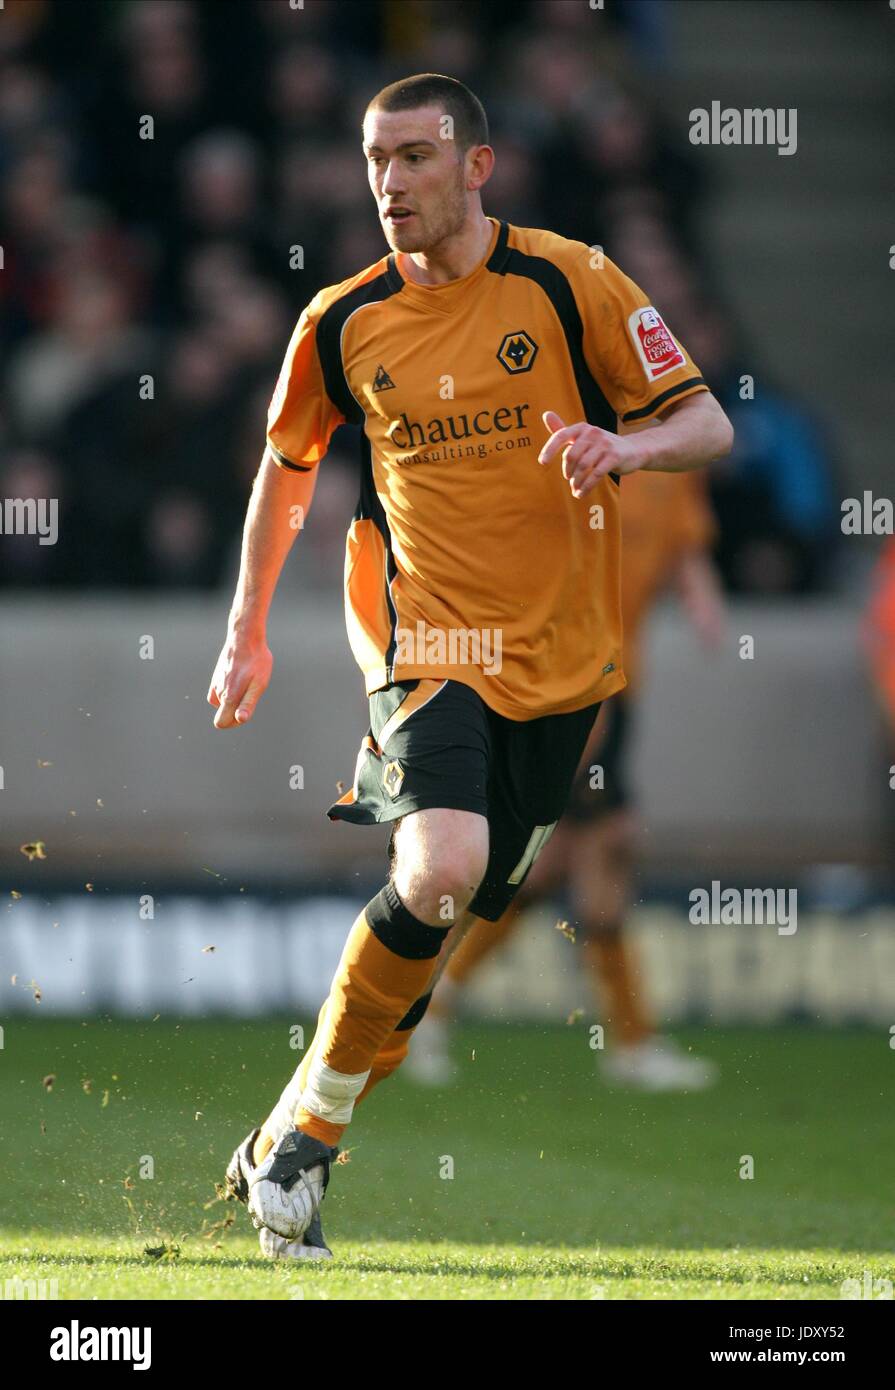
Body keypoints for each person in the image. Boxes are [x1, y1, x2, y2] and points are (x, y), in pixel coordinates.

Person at [207, 73, 733, 1260]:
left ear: (475, 166)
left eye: (412, 157)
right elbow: (288, 471)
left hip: (566, 665)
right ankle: (307, 1150)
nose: (388, 183)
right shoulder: (340, 321)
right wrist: (248, 624)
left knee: (441, 915)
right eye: (373, 159)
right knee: (443, 863)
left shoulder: (570, 280)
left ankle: (290, 1125)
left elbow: (707, 423)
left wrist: (625, 442)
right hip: (423, 637)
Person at [406, 466, 725, 1091]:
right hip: (568, 682)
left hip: (618, 682)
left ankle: (427, 1009)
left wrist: (701, 597)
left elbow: (683, 545)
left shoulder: (671, 450)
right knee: (604, 845)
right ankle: (631, 1041)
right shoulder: (571, 440)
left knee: (551, 866)